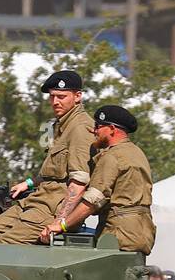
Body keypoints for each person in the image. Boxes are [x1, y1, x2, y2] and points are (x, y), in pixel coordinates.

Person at [0, 69, 93, 246]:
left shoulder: (80, 128)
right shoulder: (59, 126)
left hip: (50, 210)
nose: (55, 102)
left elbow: (79, 183)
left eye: (61, 96)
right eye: (52, 97)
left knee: (4, 246)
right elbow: (53, 172)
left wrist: (60, 222)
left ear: (78, 96)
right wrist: (27, 184)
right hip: (36, 201)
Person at [46, 105, 155, 256]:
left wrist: (62, 225)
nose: (93, 130)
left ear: (111, 129)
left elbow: (93, 200)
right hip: (141, 231)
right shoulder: (136, 153)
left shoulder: (112, 157)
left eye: (98, 126)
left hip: (119, 234)